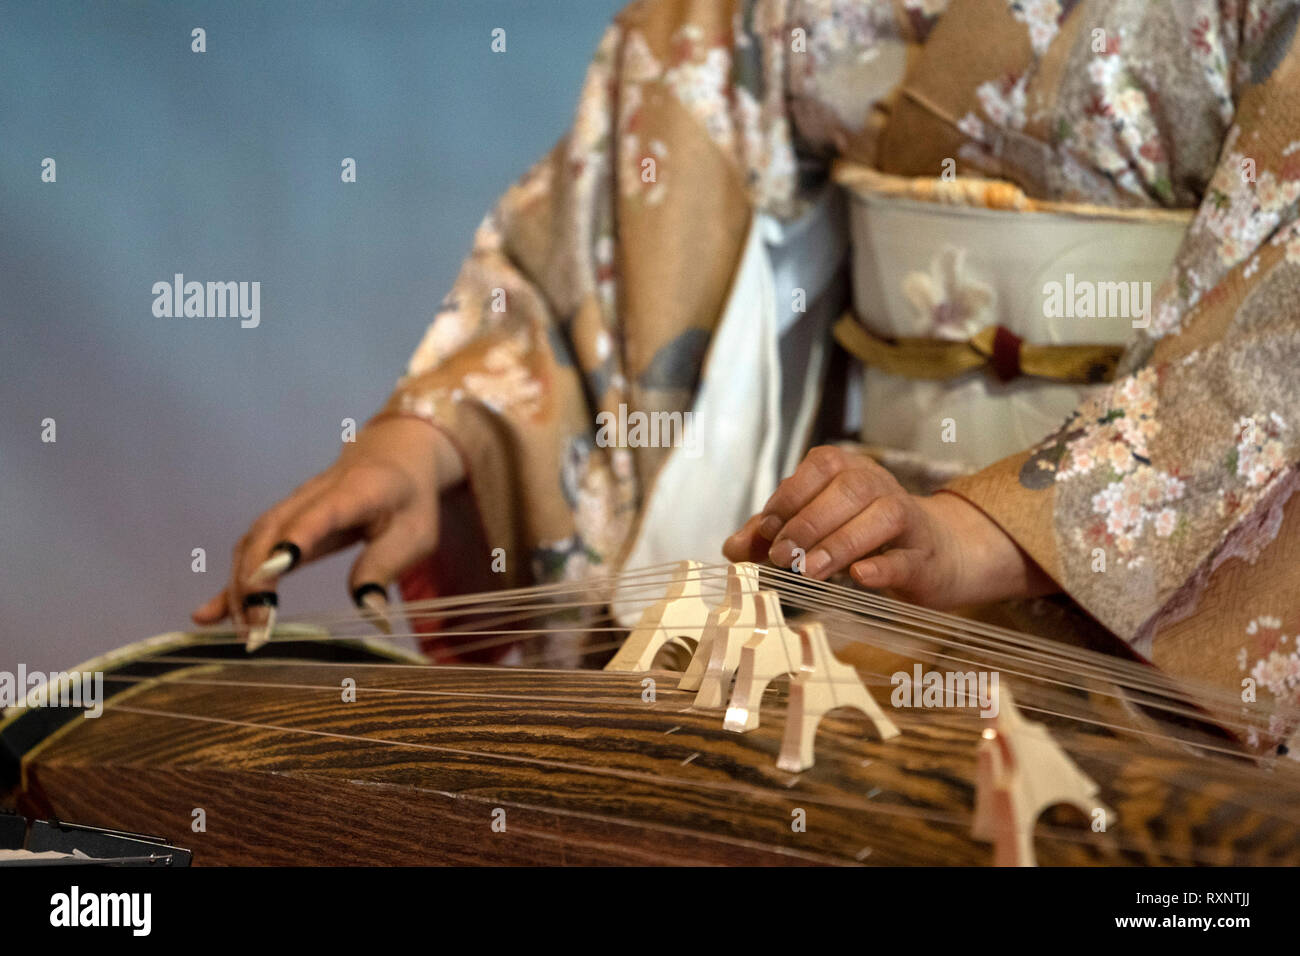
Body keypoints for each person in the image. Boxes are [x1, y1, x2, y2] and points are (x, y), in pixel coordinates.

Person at [195, 0, 1300, 751]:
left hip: (1116, 600)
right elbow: (650, 182)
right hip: (842, 541)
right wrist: (442, 437)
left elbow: (1277, 337)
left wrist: (979, 532)